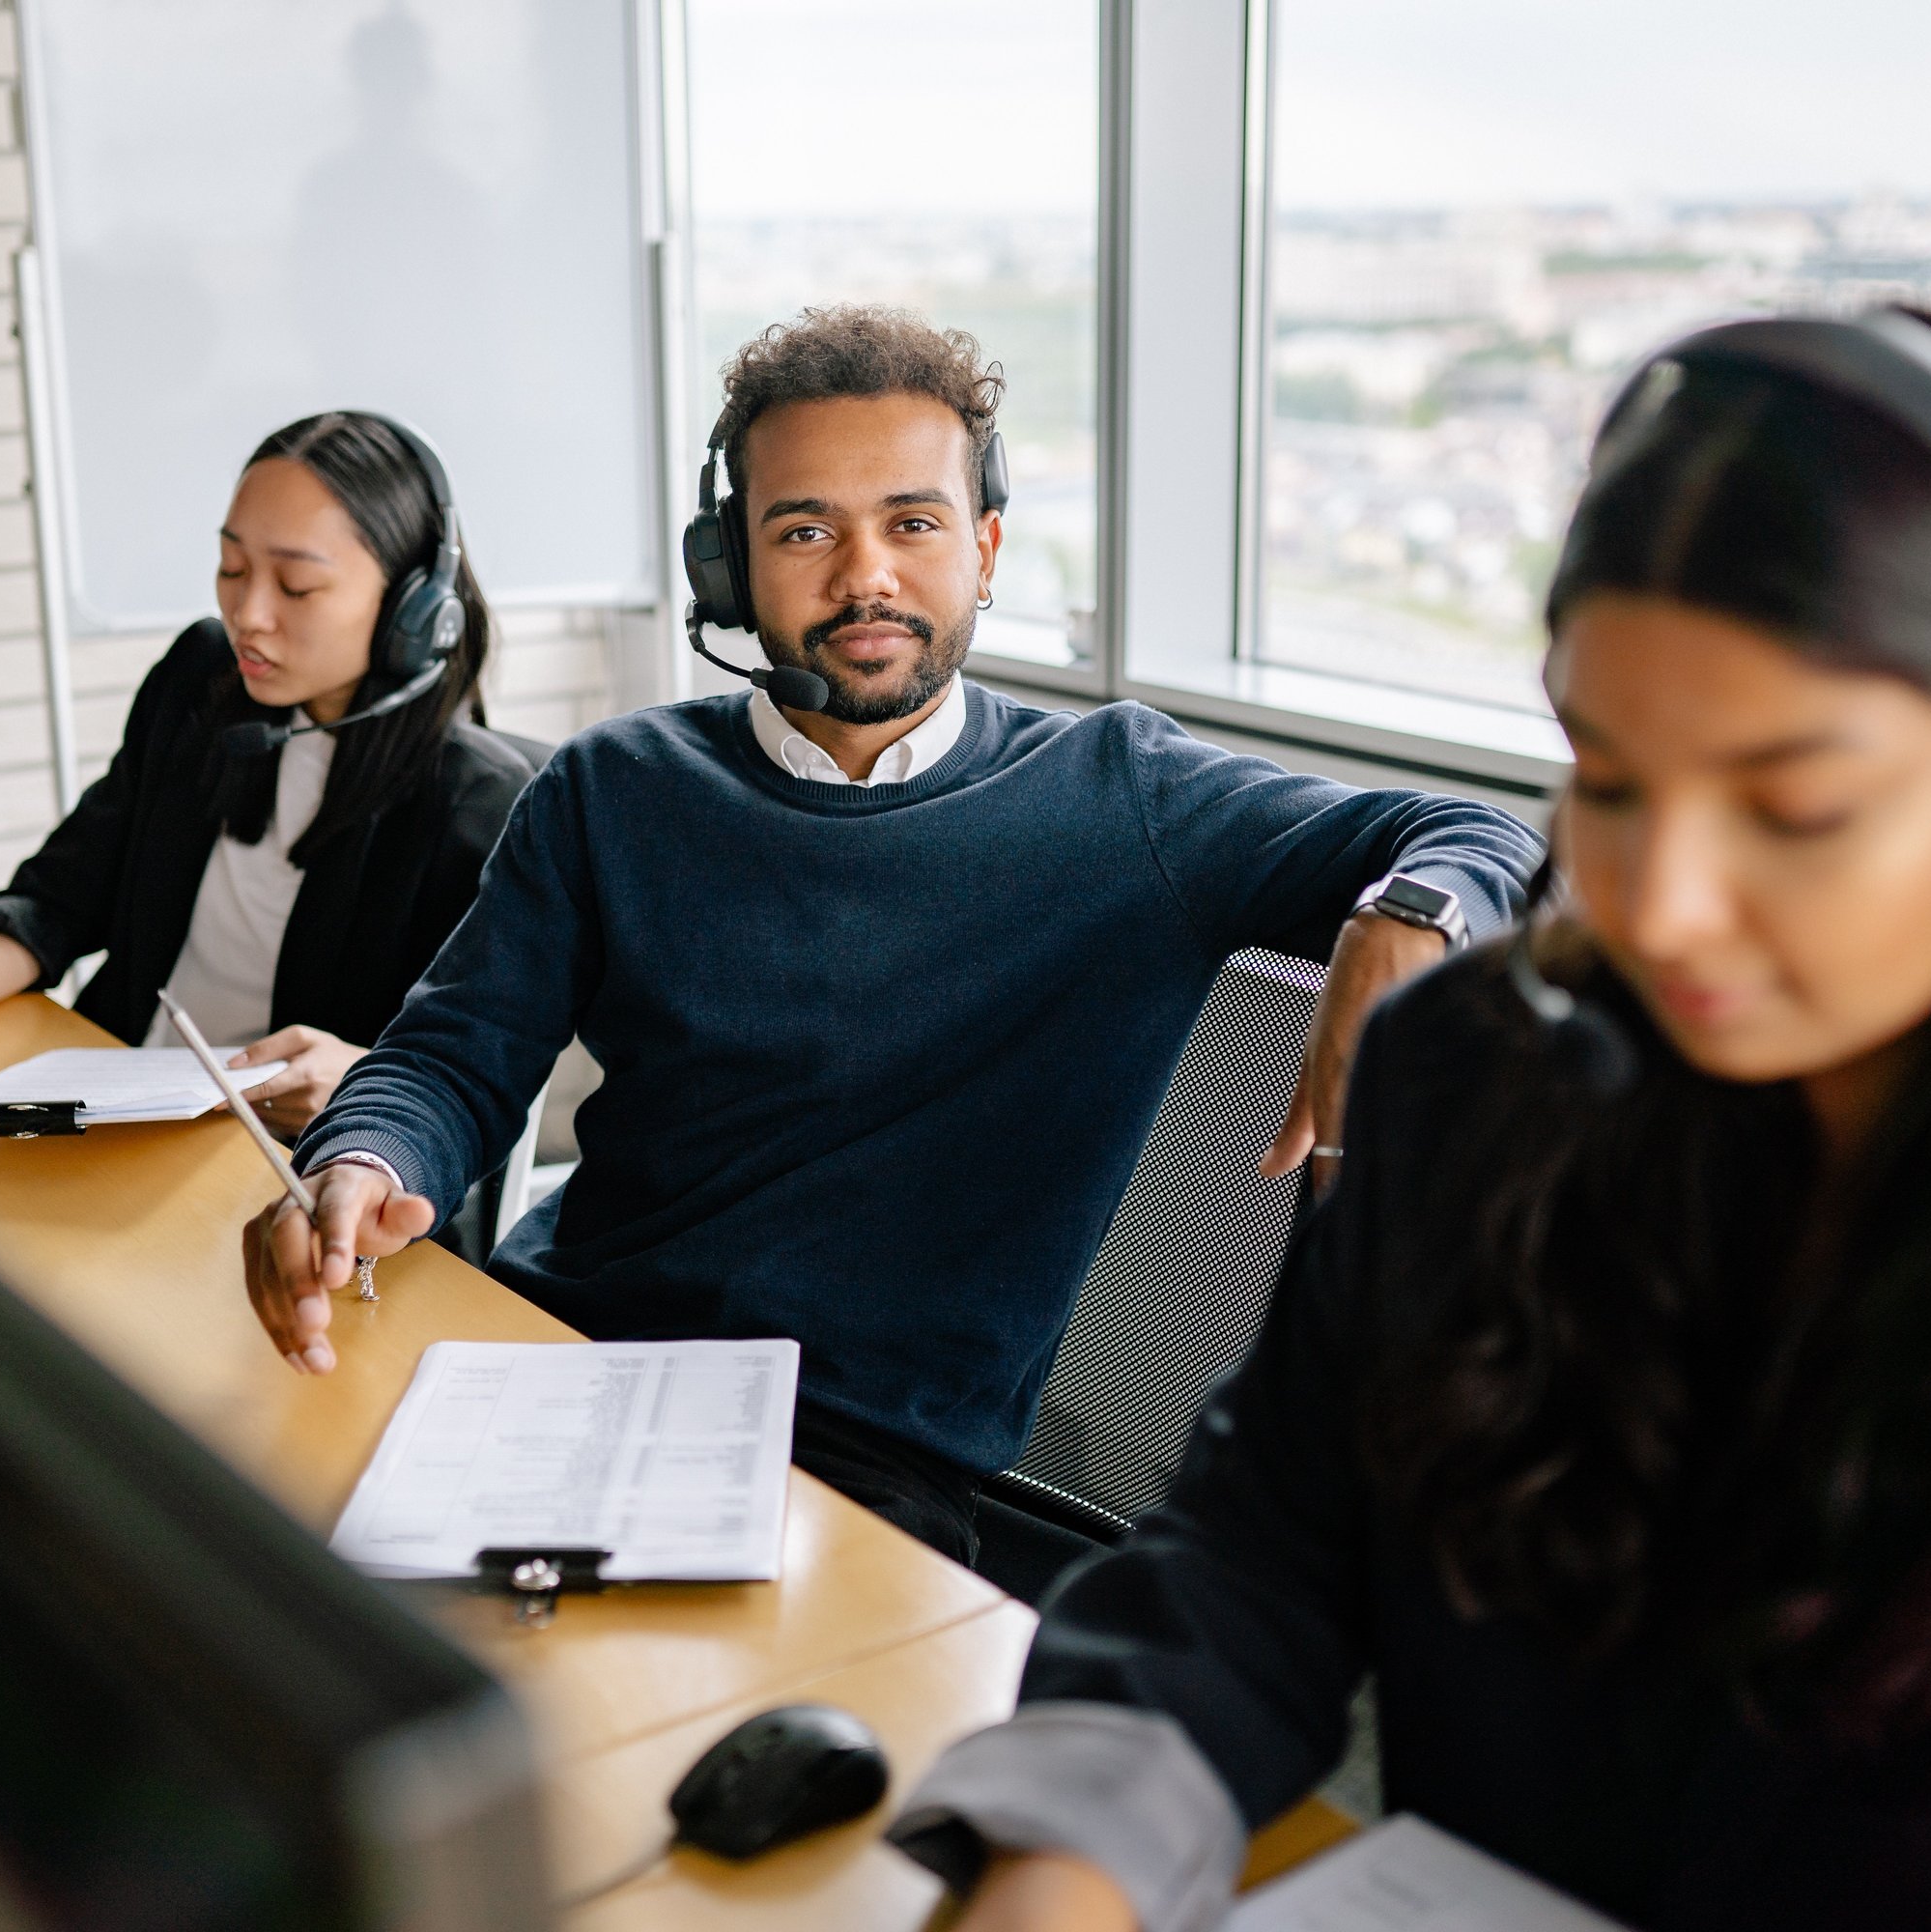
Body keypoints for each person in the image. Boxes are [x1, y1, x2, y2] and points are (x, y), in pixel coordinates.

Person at [892, 310, 1931, 1930]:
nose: (1664, 909)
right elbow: (1251, 1565)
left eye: (1794, 807)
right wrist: (1062, 1874)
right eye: (1606, 779)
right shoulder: (1478, 1079)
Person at [241, 307, 1544, 1562]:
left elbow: (1489, 836)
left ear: (981, 550)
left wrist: (1405, 920)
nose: (865, 574)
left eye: (911, 523)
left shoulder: (1126, 800)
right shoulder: (613, 787)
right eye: (804, 528)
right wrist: (359, 1156)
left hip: (861, 1457)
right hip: (564, 1351)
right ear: (733, 564)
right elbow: (454, 1058)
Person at [0, 412, 535, 1136]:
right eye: (232, 568)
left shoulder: (472, 805)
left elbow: (473, 1068)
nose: (247, 614)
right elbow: (61, 899)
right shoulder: (201, 684)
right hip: (116, 1104)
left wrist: (361, 1077)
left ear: (415, 612)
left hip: (285, 1160)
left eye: (294, 586)